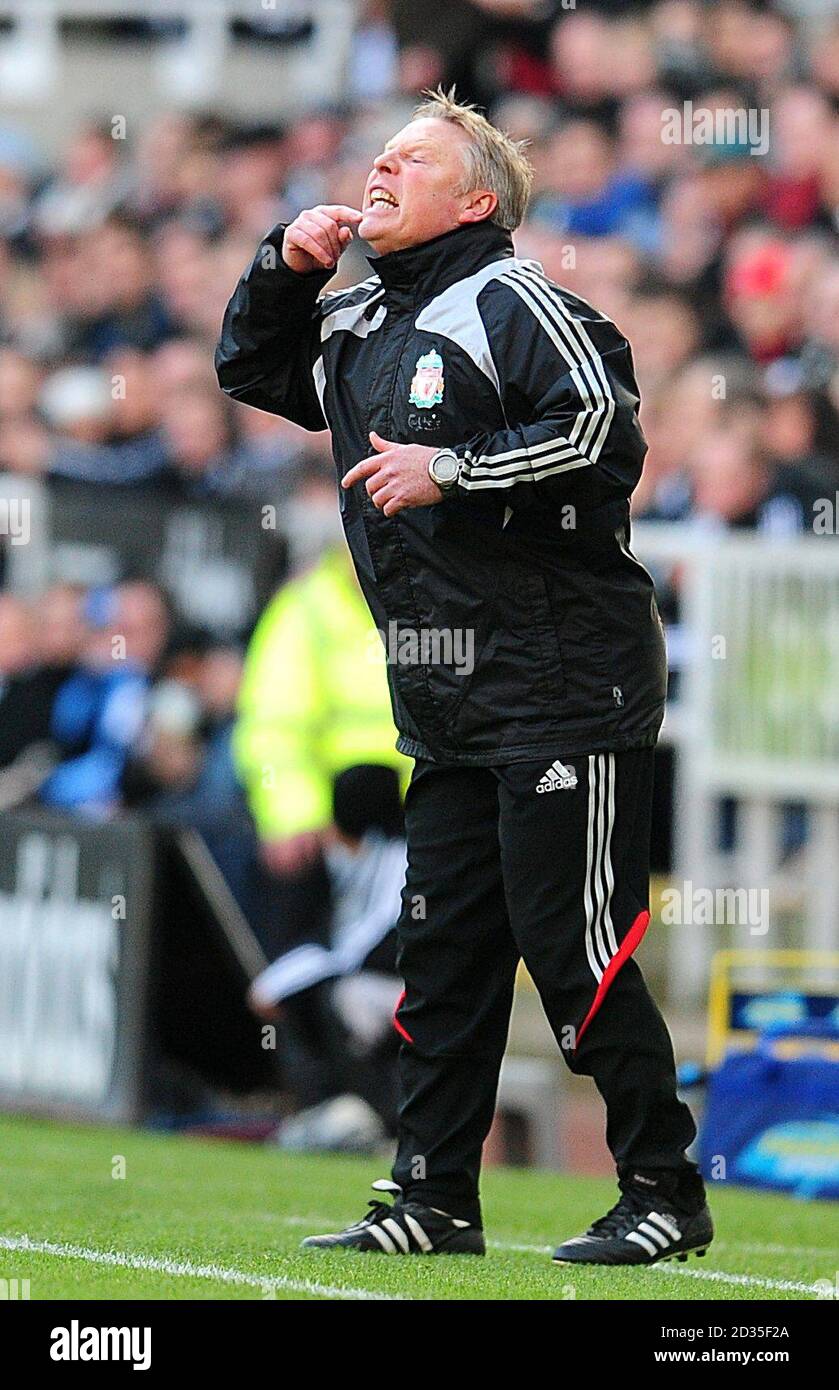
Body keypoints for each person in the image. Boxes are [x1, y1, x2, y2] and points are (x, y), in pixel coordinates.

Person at [216, 86, 712, 1267]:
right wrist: (281, 268)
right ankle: (431, 1197)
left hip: (562, 680)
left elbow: (603, 433)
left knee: (571, 946)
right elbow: (250, 367)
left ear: (476, 199)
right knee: (438, 953)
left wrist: (452, 468)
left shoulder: (513, 299)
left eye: (409, 159)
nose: (377, 170)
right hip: (444, 694)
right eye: (375, 156)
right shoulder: (355, 320)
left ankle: (661, 1186)